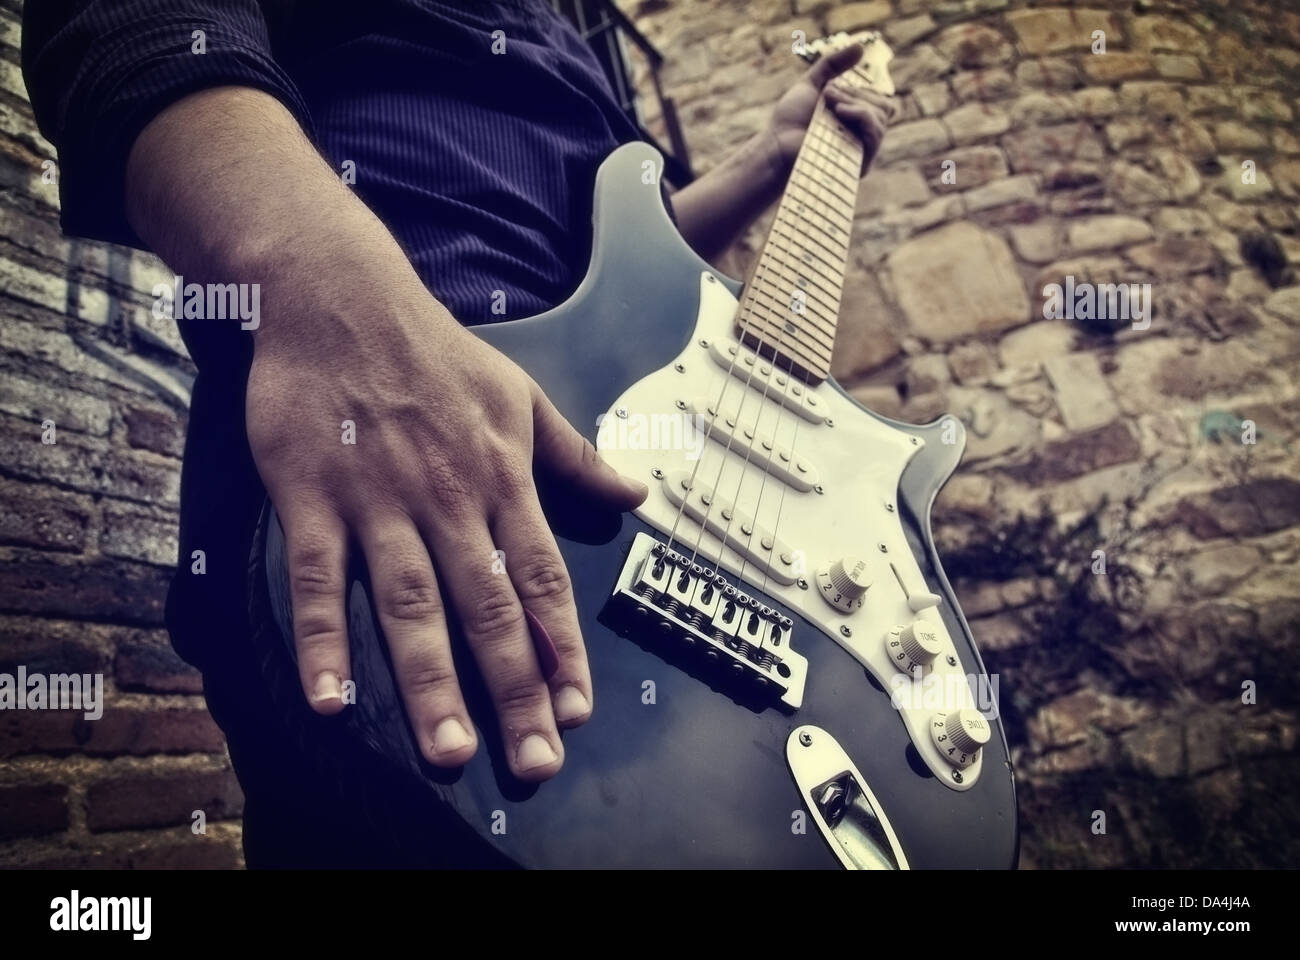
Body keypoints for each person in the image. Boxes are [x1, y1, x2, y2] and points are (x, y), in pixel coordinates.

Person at [23, 0, 893, 866]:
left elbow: (640, 271)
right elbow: (131, 23)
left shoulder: (564, 40)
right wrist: (322, 288)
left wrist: (769, 158)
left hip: (604, 496)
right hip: (406, 455)